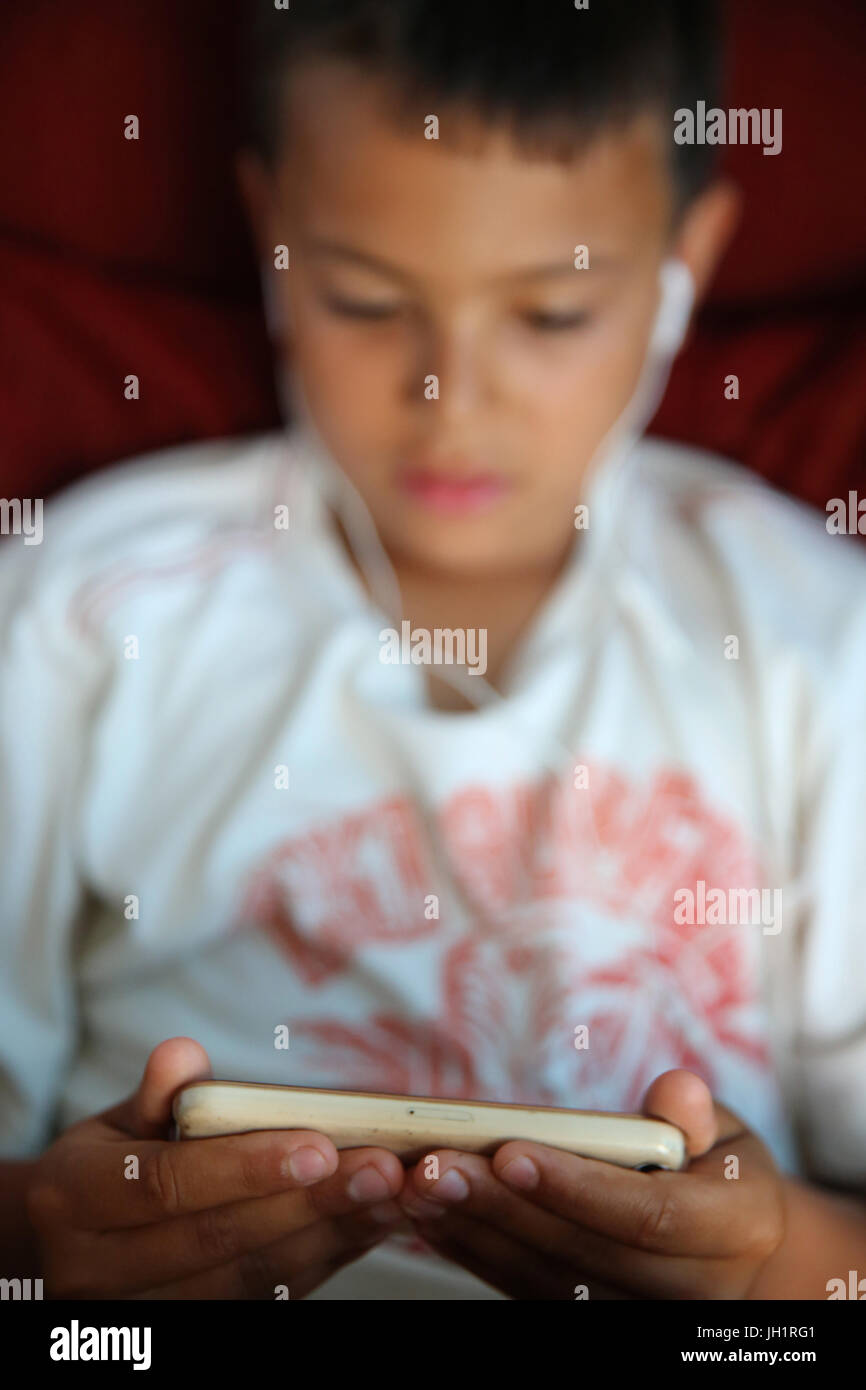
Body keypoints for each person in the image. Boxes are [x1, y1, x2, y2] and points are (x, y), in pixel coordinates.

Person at [2, 0, 866, 1301]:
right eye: (360, 298)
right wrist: (44, 1248)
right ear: (269, 237)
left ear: (685, 262)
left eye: (555, 313)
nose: (448, 399)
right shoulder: (87, 605)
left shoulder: (809, 633)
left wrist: (771, 1271)